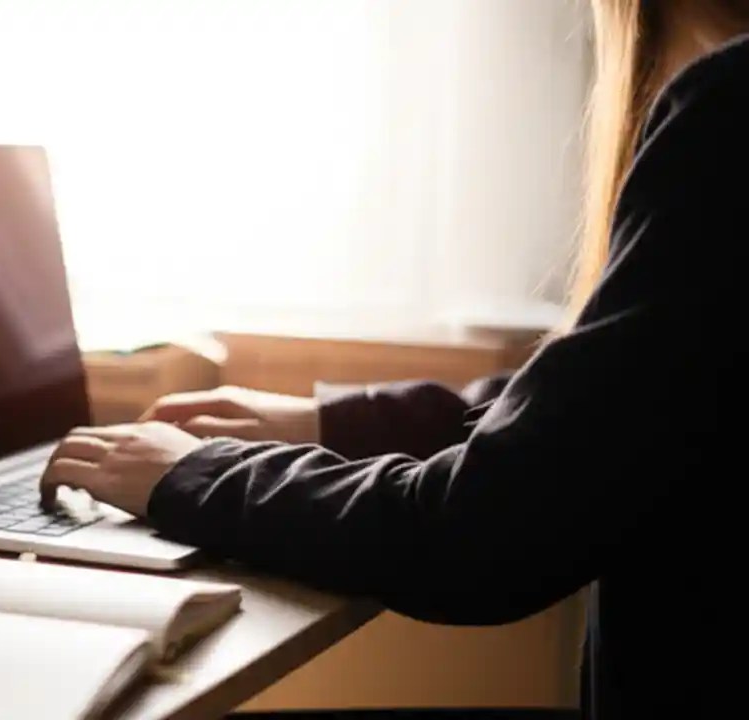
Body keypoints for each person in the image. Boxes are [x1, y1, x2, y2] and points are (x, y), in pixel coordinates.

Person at [39, 1, 749, 718]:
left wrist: (190, 475)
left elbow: (484, 533)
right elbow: (607, 420)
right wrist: (330, 422)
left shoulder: (731, 109)